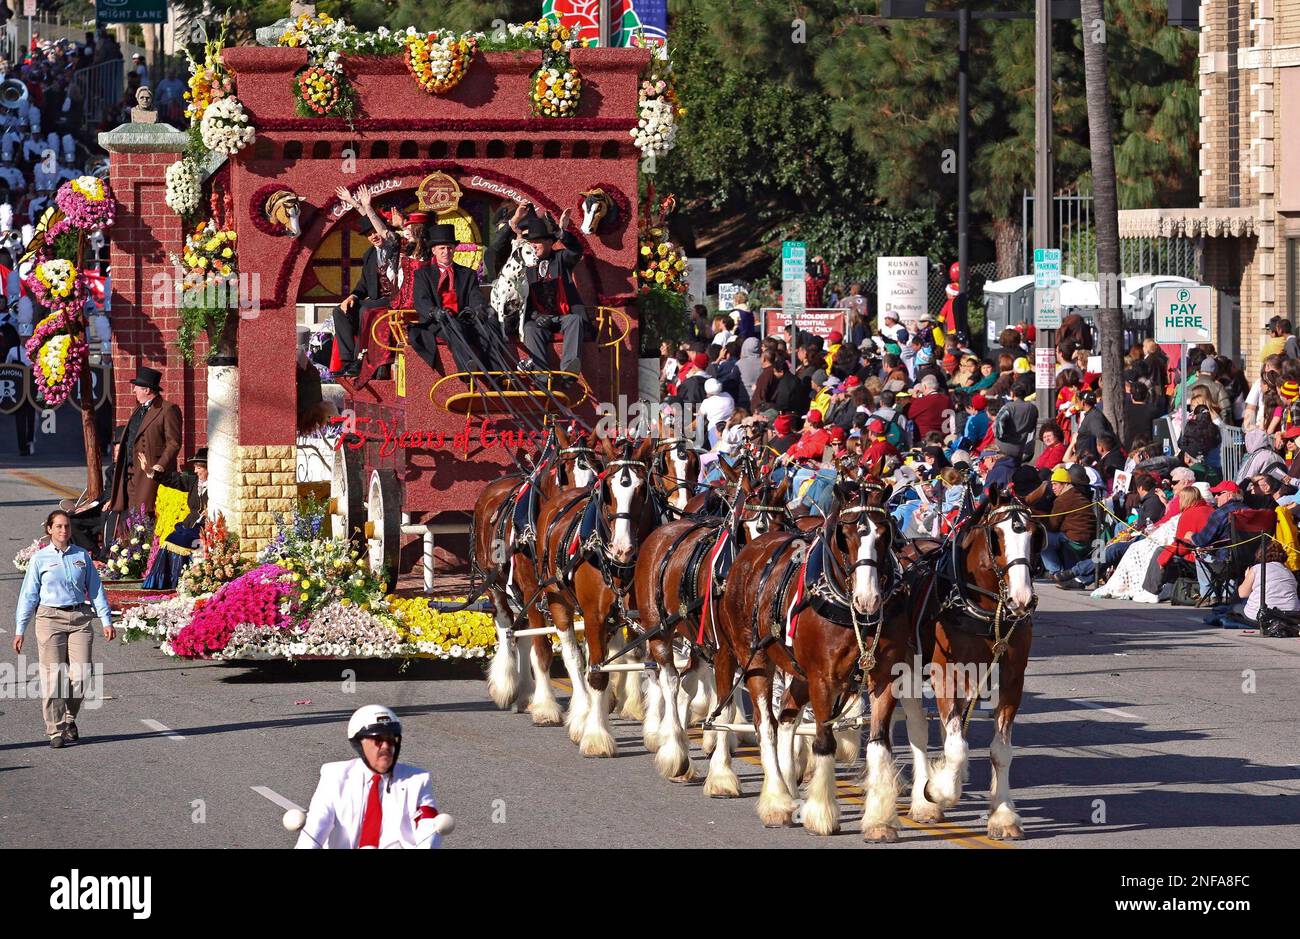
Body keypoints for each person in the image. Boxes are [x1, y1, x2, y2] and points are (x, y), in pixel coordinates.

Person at [13, 510, 115, 748]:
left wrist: (106, 620)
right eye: (58, 526)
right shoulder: (40, 559)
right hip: (49, 618)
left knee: (82, 673)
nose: (63, 531)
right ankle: (55, 730)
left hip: (80, 617)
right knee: (55, 677)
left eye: (66, 526)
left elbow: (95, 589)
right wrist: (20, 629)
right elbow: (28, 596)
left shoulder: (81, 555)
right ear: (49, 529)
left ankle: (69, 718)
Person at [295, 705, 446, 849]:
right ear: (359, 743)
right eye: (378, 740)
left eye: (391, 740)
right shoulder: (334, 776)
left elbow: (428, 824)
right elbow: (317, 824)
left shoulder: (417, 780)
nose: (386, 746)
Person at [409, 223, 510, 376]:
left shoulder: (467, 273)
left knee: (488, 325)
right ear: (434, 250)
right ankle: (467, 371)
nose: (446, 252)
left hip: (463, 318)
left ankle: (497, 372)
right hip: (437, 322)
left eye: (449, 247)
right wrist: (435, 312)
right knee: (453, 325)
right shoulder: (423, 274)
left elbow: (475, 295)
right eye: (442, 248)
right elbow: (421, 300)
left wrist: (477, 308)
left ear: (454, 249)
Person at [516, 214, 588, 377]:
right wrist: (535, 316)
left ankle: (568, 374)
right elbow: (520, 299)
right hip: (539, 319)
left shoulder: (561, 258)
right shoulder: (524, 265)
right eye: (531, 242)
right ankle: (541, 378)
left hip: (563, 316)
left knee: (575, 320)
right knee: (529, 328)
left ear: (549, 242)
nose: (533, 246)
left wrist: (561, 232)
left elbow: (576, 250)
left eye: (538, 242)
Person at [107, 366, 182, 518]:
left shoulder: (168, 409)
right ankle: (131, 542)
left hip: (150, 474)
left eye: (136, 387)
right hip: (130, 473)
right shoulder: (138, 409)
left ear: (147, 390)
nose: (134, 390)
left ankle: (146, 542)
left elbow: (173, 443)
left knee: (146, 513)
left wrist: (159, 465)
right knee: (130, 515)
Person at [331, 209, 398, 378]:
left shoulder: (394, 248)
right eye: (369, 234)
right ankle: (347, 360)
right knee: (339, 311)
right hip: (376, 299)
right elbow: (363, 285)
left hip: (395, 299)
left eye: (374, 231)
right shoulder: (368, 255)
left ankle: (359, 360)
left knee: (365, 309)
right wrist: (353, 296)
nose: (373, 236)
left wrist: (364, 206)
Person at [142, 448, 209, 590]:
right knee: (169, 539)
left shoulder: (217, 485)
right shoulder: (194, 482)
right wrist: (151, 471)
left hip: (205, 527)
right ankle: (163, 581)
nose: (196, 471)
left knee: (177, 541)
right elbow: (174, 479)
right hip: (189, 524)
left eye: (199, 468)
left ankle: (180, 582)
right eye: (195, 468)